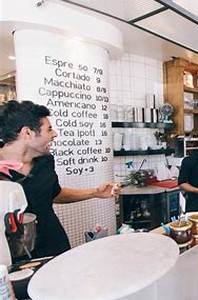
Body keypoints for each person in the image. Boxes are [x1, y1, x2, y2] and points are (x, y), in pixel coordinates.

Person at [0, 100, 120, 259]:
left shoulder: (45, 161)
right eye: (49, 129)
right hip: (12, 255)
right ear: (27, 133)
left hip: (54, 245)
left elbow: (53, 193)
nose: (55, 134)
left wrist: (95, 193)